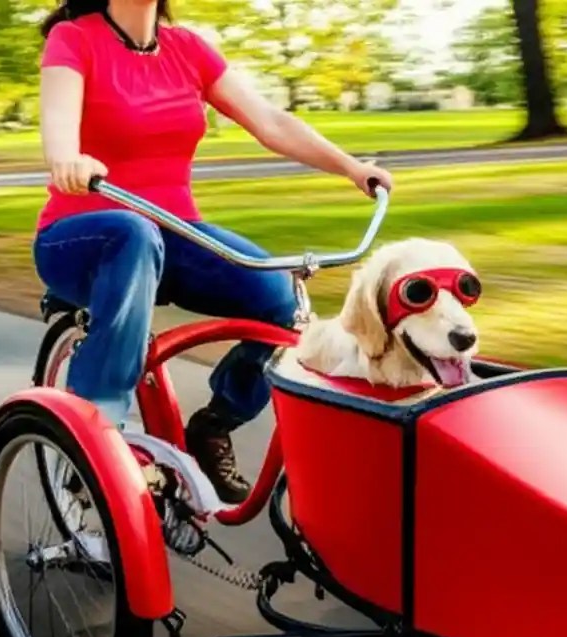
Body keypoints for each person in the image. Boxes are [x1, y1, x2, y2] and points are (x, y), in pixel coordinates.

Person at [35, 0, 393, 504]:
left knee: (282, 306)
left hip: (178, 236)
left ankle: (215, 423)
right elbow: (58, 127)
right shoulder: (73, 39)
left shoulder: (186, 49)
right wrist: (67, 159)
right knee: (135, 233)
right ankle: (95, 431)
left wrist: (352, 168)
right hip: (83, 238)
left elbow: (270, 121)